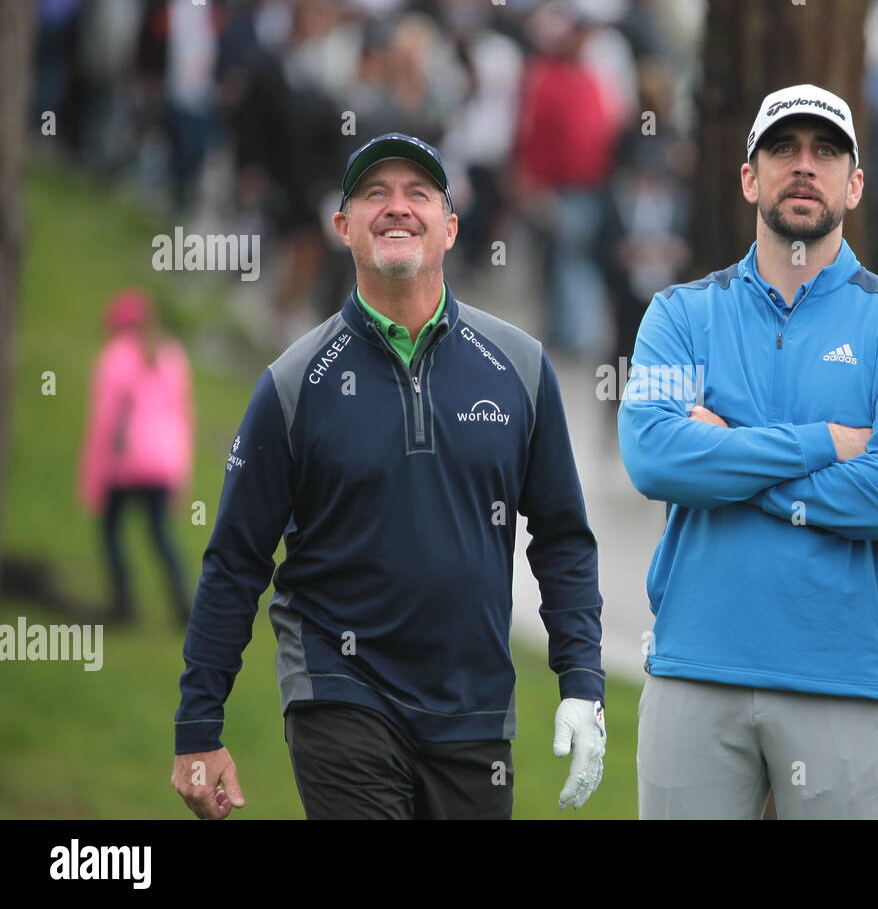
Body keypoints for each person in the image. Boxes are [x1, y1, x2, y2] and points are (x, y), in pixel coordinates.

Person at [171, 133, 606, 820]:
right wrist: (199, 727)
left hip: (475, 710)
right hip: (342, 696)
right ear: (342, 227)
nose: (396, 208)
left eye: (418, 194)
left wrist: (582, 683)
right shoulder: (293, 384)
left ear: (451, 226)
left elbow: (562, 537)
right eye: (374, 193)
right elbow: (234, 560)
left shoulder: (519, 367)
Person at [618, 85, 878, 819]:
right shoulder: (680, 314)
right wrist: (827, 444)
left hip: (840, 678)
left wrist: (729, 457)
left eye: (826, 152)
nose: (804, 166)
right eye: (783, 150)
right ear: (750, 177)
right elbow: (652, 455)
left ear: (854, 184)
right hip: (694, 666)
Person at [79, 288, 195, 627]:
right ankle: (183, 605)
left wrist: (94, 478)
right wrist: (180, 473)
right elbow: (184, 418)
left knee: (112, 529)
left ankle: (122, 606)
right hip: (164, 461)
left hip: (125, 460)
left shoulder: (114, 358)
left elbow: (105, 423)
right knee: (160, 533)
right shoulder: (173, 356)